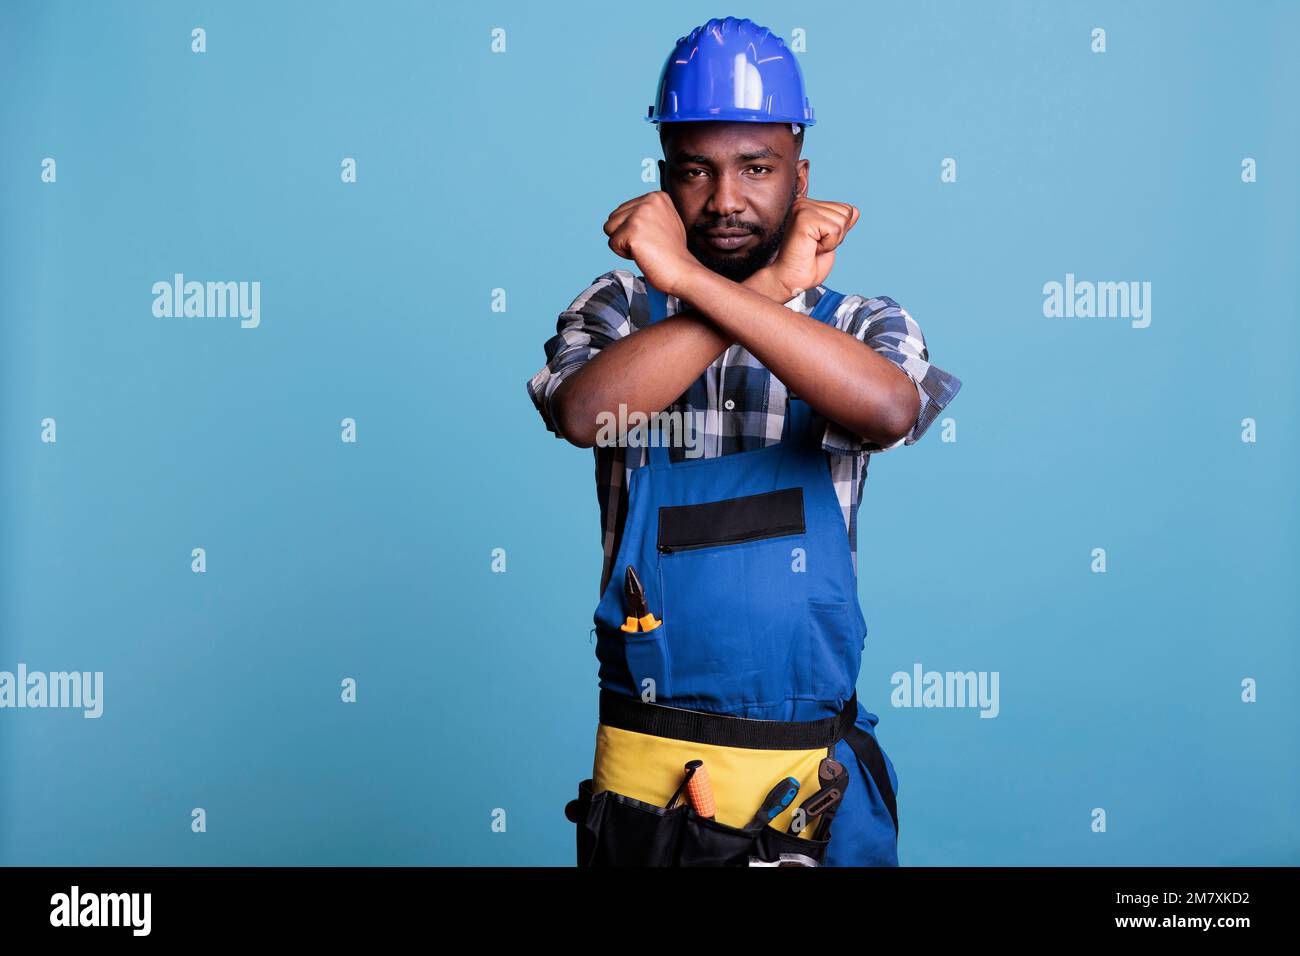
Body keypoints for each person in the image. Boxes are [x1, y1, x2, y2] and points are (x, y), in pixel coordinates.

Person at [527, 16, 962, 867]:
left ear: (803, 177)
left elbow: (887, 413)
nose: (725, 199)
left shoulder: (863, 323)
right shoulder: (618, 309)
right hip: (650, 774)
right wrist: (763, 287)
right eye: (697, 171)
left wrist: (689, 279)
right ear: (663, 182)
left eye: (757, 169)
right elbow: (586, 414)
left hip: (808, 781)